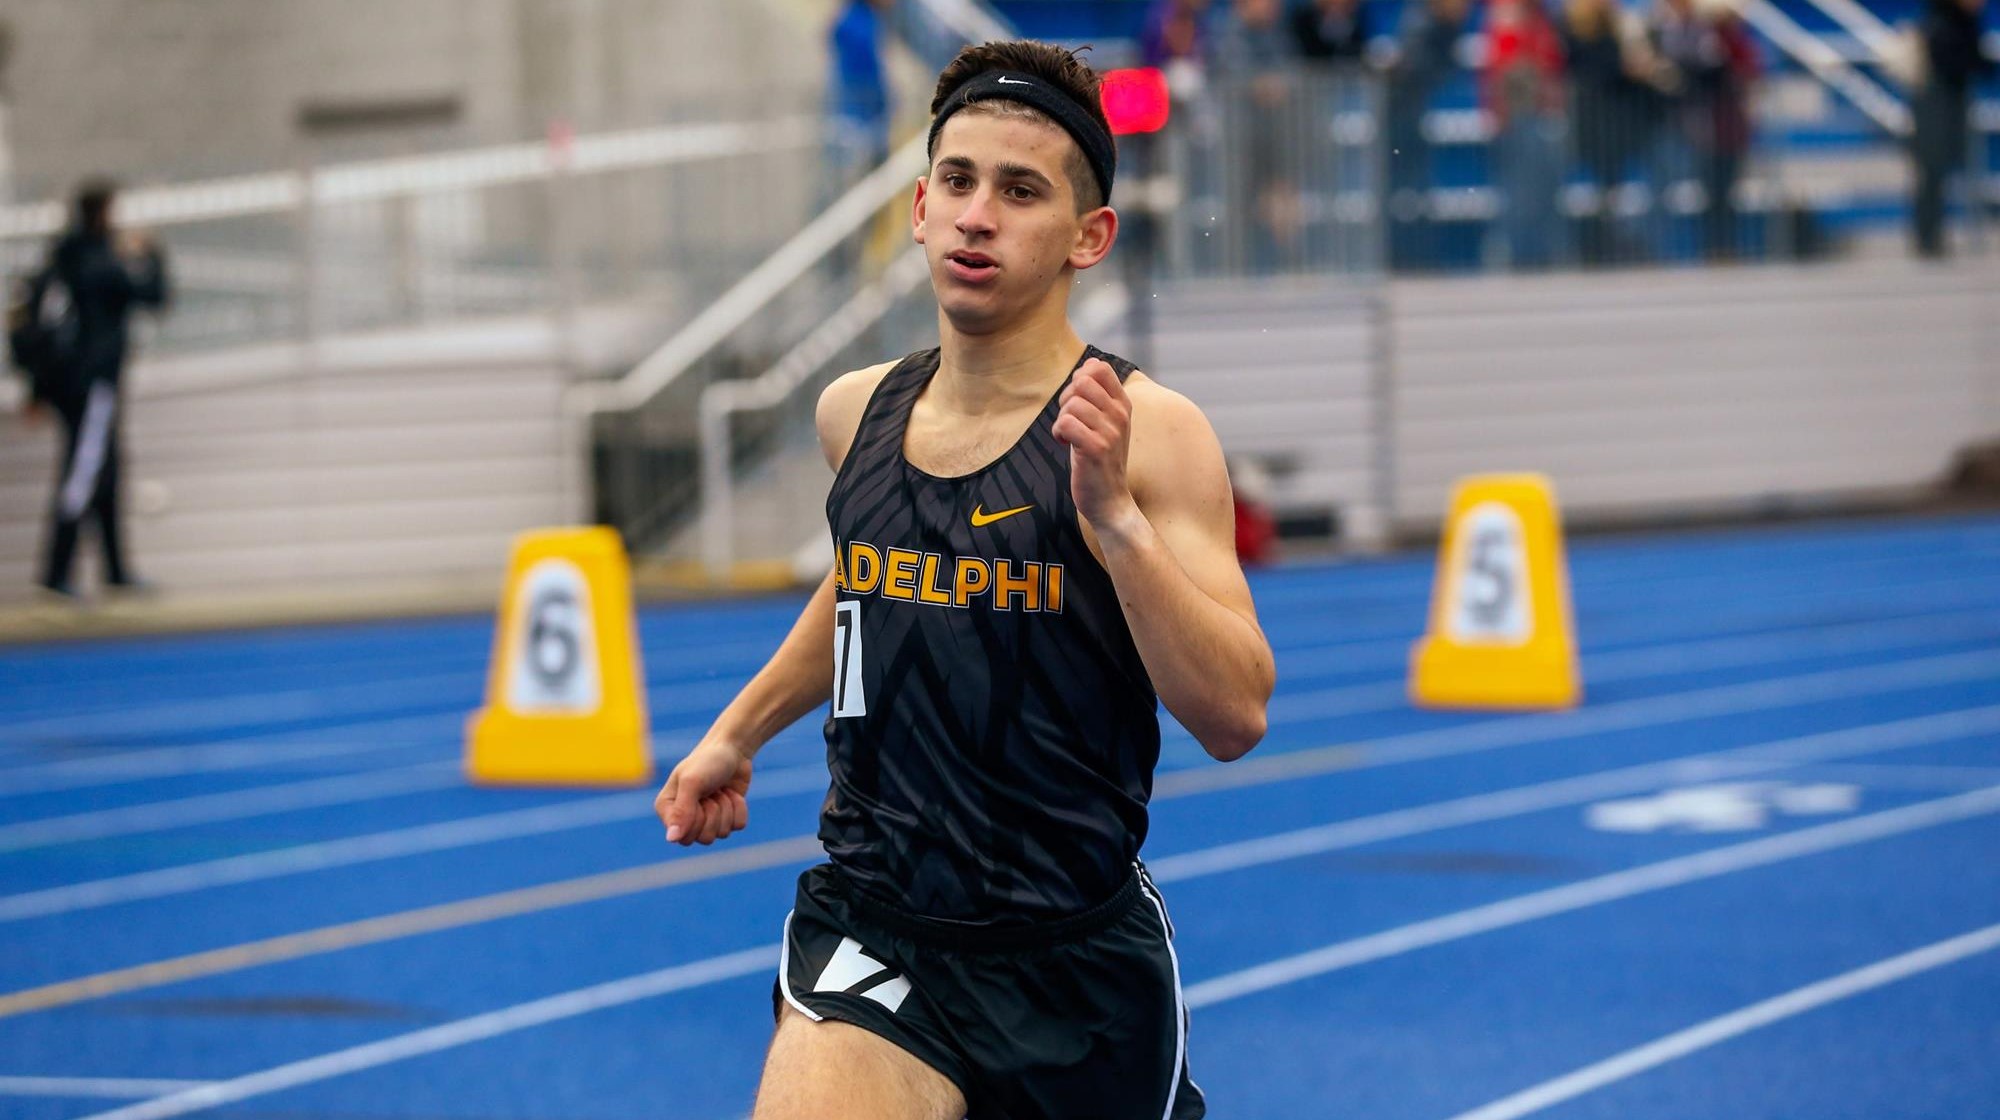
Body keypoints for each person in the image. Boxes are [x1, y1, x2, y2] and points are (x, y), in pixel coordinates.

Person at [655, 39, 1275, 1120]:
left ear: (1089, 237)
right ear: (918, 208)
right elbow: (869, 582)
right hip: (874, 927)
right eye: (957, 180)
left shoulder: (1152, 434)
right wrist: (738, 729)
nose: (978, 214)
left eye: (1019, 190)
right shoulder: (854, 413)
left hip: (1070, 960)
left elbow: (1234, 714)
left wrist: (1114, 523)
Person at [27, 178, 168, 598]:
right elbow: (154, 295)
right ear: (103, 214)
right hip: (93, 385)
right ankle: (56, 574)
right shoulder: (98, 263)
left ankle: (116, 570)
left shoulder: (63, 259)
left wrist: (38, 388)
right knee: (86, 471)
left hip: (81, 385)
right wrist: (152, 254)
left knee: (106, 472)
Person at [1909, 0, 1993, 257]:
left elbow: (1977, 62)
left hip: (1953, 100)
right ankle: (1928, 237)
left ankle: (1934, 235)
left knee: (1944, 167)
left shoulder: (1965, 23)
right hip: (1936, 102)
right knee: (1932, 167)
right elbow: (1952, 60)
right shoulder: (1940, 22)